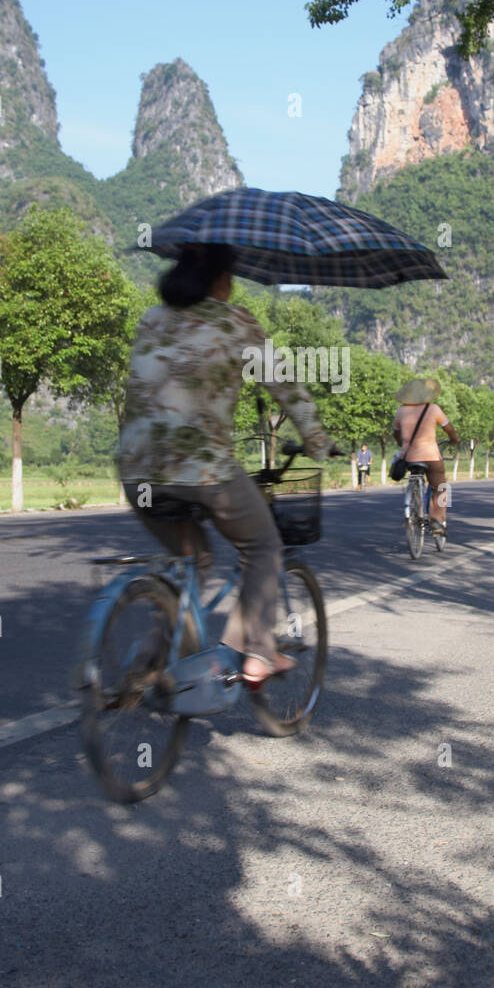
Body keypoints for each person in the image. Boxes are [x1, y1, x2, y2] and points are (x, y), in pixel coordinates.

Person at [119, 242, 335, 684]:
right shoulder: (238, 323)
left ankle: (147, 665)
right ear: (221, 278)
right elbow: (286, 387)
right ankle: (257, 651)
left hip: (136, 468)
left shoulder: (151, 319)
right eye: (231, 274)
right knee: (263, 546)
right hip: (202, 470)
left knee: (192, 562)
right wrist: (316, 440)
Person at [392, 378, 460, 535]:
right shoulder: (434, 409)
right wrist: (454, 439)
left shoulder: (401, 411)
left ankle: (412, 508)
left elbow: (396, 433)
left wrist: (401, 443)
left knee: (415, 475)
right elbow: (449, 428)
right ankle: (437, 520)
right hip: (430, 456)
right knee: (442, 487)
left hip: (408, 457)